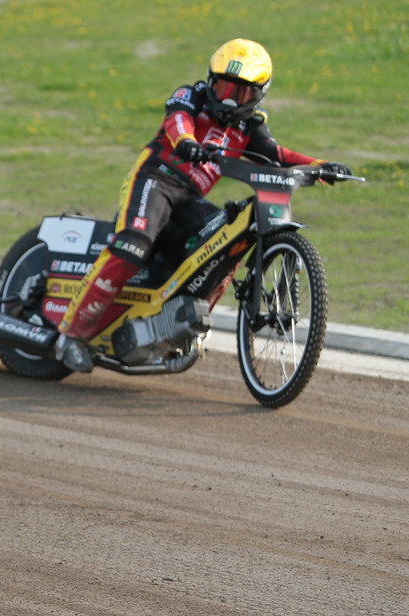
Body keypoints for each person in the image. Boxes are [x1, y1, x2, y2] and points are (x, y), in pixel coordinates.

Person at [55, 38, 351, 372]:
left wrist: (321, 165)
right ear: (210, 81)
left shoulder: (252, 127)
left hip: (191, 200)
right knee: (133, 246)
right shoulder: (190, 96)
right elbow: (177, 121)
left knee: (230, 240)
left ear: (258, 95)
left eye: (241, 93)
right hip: (156, 180)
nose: (229, 99)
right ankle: (71, 335)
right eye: (224, 87)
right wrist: (187, 143)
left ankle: (181, 328)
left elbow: (279, 157)